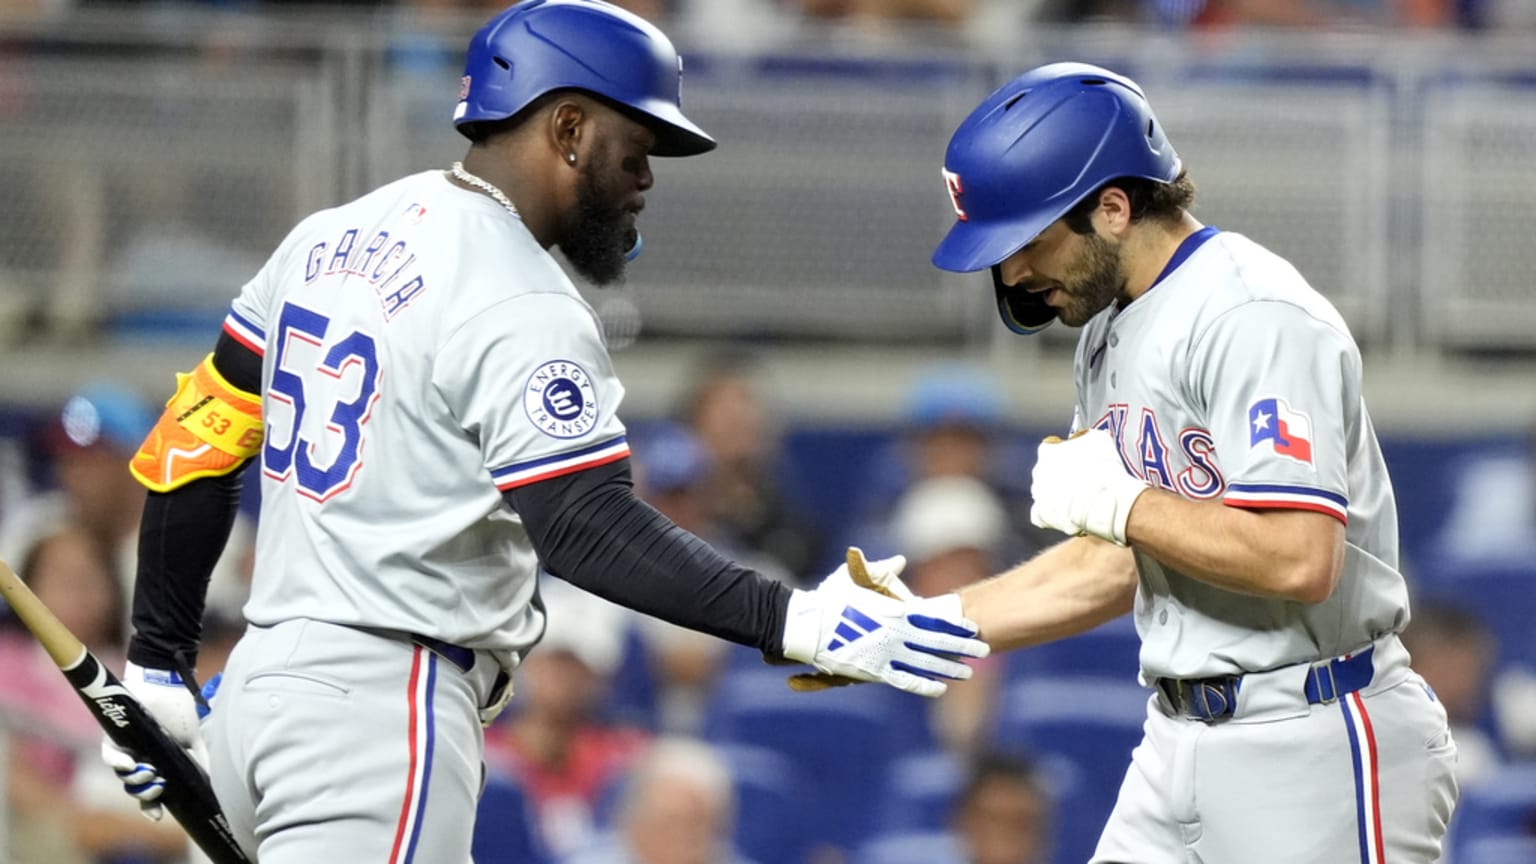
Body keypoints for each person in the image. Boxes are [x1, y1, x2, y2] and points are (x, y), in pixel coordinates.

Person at [96, 3, 988, 862]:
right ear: (567, 128)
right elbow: (585, 527)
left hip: (256, 697)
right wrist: (793, 618)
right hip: (377, 714)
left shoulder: (324, 240)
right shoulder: (519, 292)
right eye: (636, 150)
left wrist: (160, 665)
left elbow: (195, 442)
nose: (646, 180)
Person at [929, 63, 1457, 862]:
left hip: (1313, 737)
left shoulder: (1252, 312)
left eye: (1028, 241)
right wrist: (923, 627)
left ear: (1113, 209)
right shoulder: (1107, 328)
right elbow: (1115, 563)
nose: (1013, 273)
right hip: (1177, 736)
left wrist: (1126, 503)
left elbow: (1299, 556)